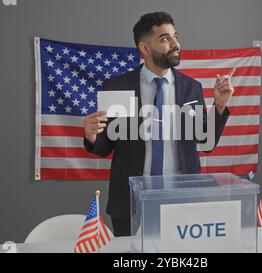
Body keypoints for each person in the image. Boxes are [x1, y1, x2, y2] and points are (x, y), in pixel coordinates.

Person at [83, 11, 235, 236]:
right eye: (165, 38)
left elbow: (206, 142)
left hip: (182, 200)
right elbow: (106, 146)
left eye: (175, 36)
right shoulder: (118, 86)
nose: (175, 44)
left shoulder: (190, 87)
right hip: (130, 202)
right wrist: (92, 136)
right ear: (145, 48)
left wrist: (220, 107)